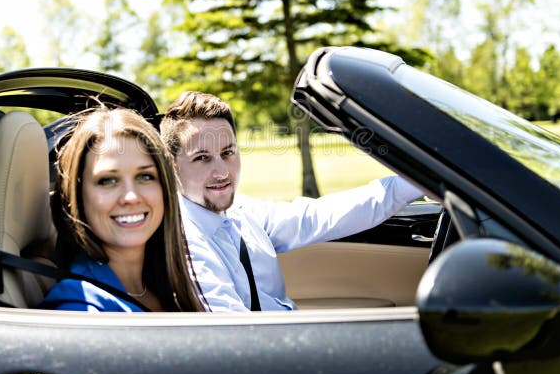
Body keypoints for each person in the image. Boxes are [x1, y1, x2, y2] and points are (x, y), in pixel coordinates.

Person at [160, 91, 424, 312]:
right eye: (202, 158)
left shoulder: (240, 211)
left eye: (227, 153)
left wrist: (422, 179)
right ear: (172, 166)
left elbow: (318, 217)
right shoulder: (187, 246)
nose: (222, 172)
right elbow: (233, 336)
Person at [41, 105, 206, 312]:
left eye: (145, 176)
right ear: (77, 196)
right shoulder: (80, 307)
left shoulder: (170, 284)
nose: (131, 197)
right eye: (108, 180)